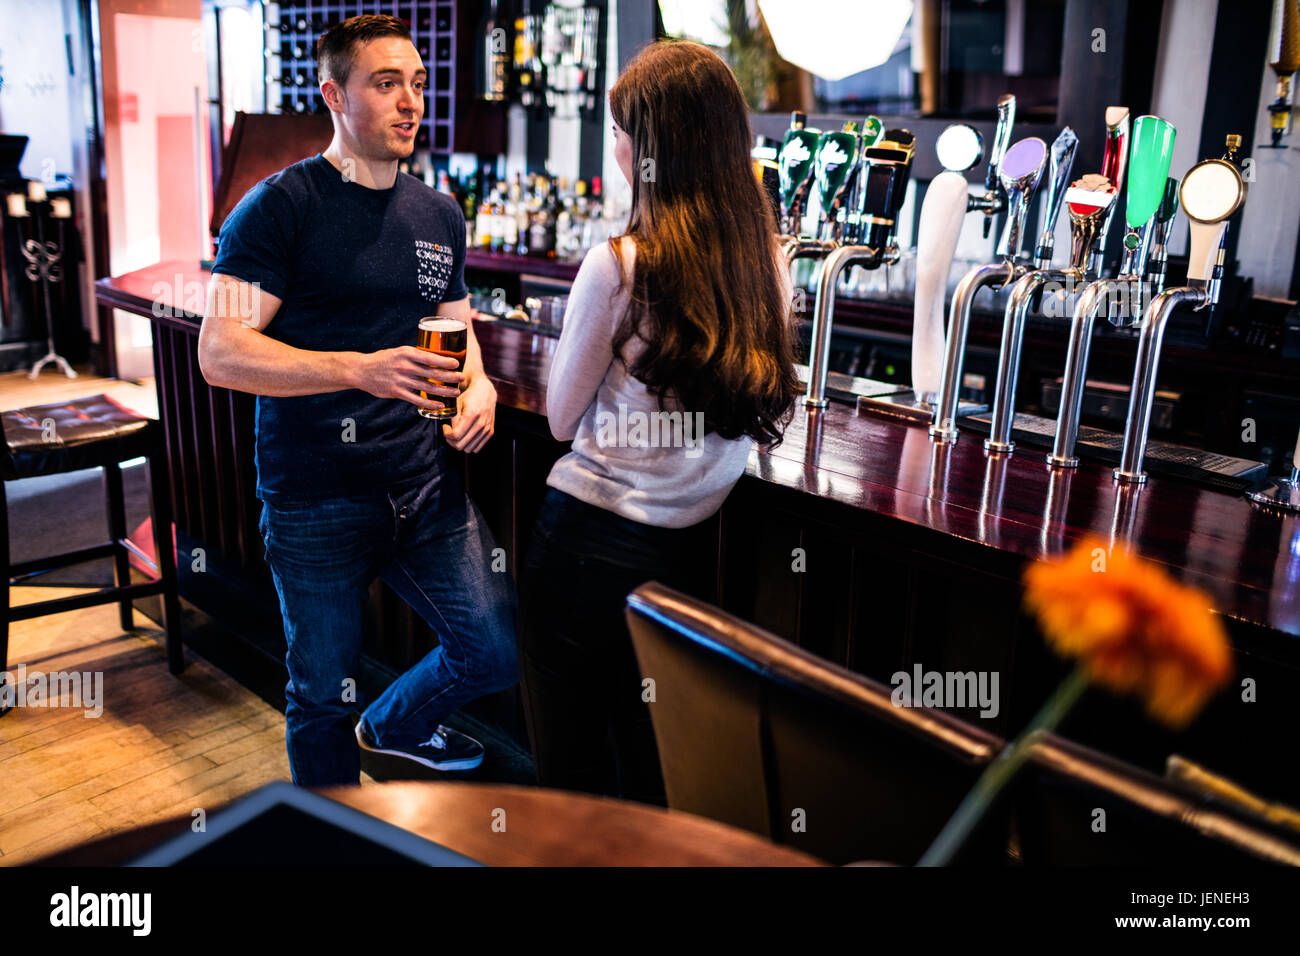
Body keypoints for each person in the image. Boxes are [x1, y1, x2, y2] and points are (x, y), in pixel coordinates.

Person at [198, 15, 517, 787]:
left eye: (415, 83)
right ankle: (333, 838)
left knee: (495, 649)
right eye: (385, 84)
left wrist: (480, 385)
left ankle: (398, 723)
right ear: (335, 94)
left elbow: (456, 327)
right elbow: (220, 352)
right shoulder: (279, 207)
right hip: (315, 502)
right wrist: (357, 370)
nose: (410, 101)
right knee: (319, 699)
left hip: (423, 491)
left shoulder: (437, 212)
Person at [516, 40, 800, 805]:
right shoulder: (767, 265)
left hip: (584, 549)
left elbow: (560, 418)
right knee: (651, 774)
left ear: (652, 147)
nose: (614, 144)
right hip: (682, 560)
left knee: (569, 780)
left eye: (621, 128)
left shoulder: (619, 264)